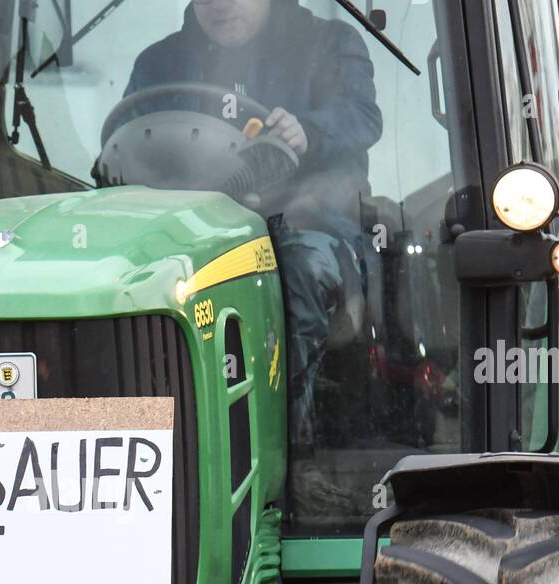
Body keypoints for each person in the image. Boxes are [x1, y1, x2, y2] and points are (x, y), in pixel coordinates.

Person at [124, 0, 383, 513]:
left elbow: (361, 115)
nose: (221, 4)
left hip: (311, 228)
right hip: (189, 237)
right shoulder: (159, 65)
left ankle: (292, 461)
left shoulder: (330, 46)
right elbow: (127, 144)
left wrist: (309, 130)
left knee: (294, 275)